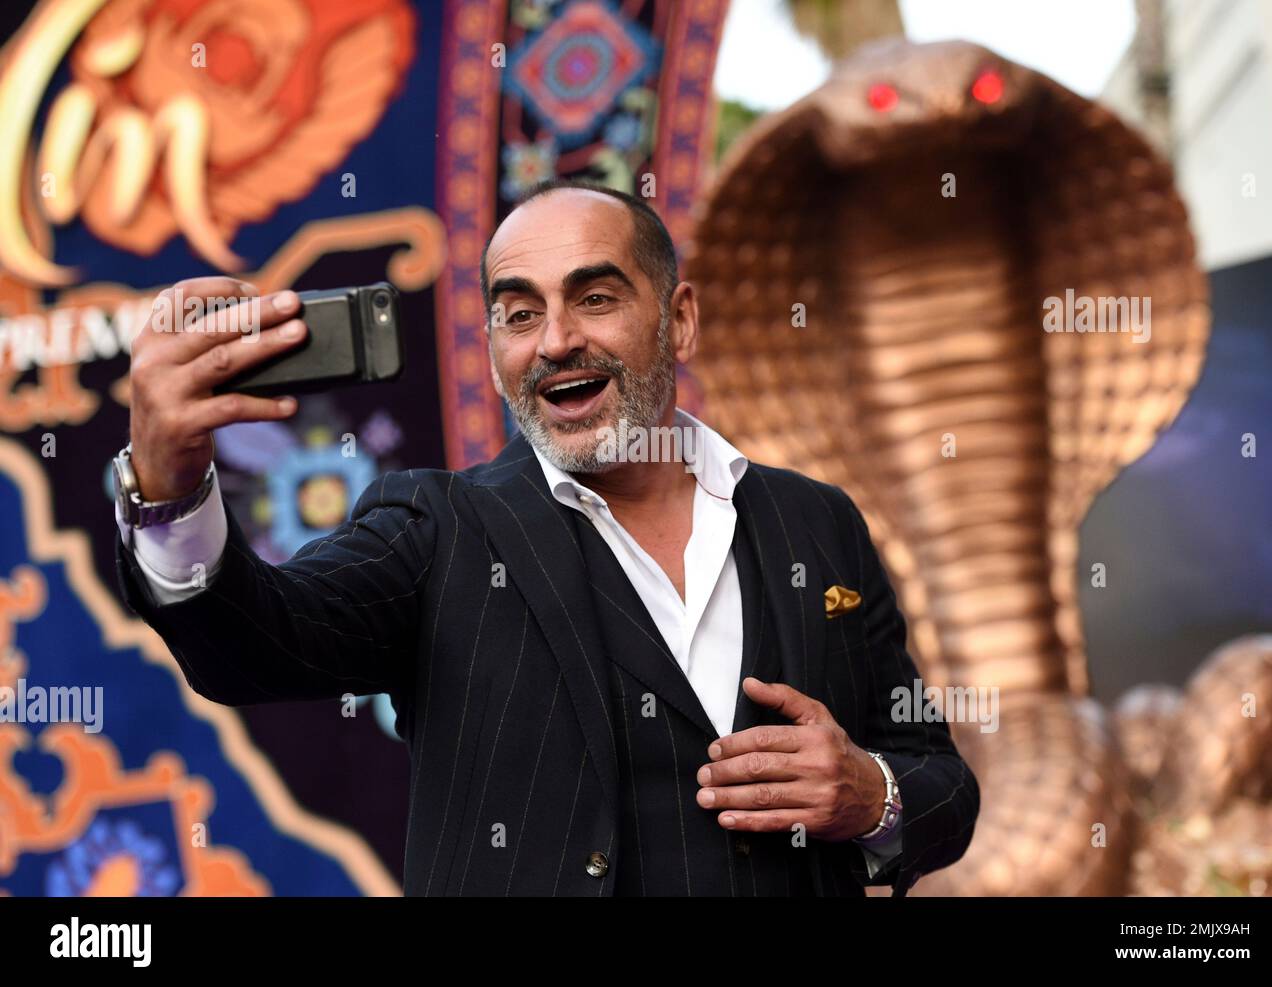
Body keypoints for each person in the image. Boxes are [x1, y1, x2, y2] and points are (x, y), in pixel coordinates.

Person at [112, 179, 979, 896]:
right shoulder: (437, 529)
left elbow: (939, 776)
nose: (557, 341)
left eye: (595, 298)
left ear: (678, 320)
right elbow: (250, 642)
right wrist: (171, 485)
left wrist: (874, 795)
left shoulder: (814, 520)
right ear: (491, 346)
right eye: (518, 314)